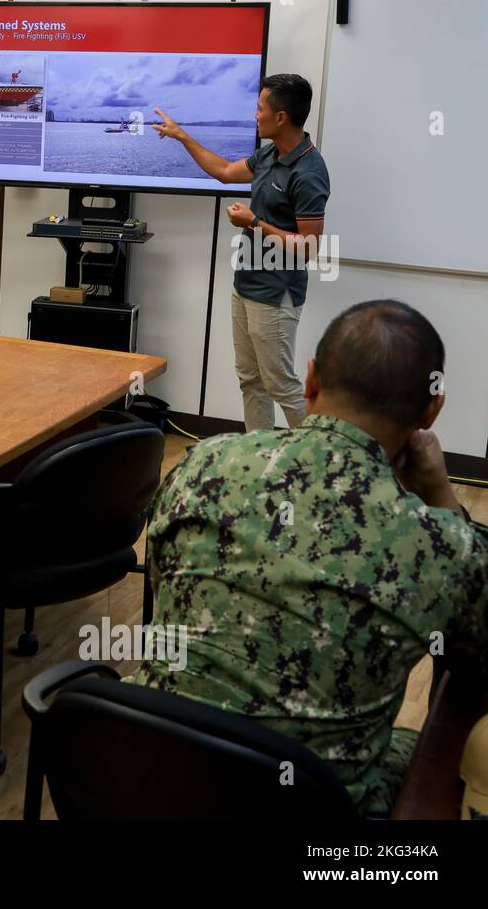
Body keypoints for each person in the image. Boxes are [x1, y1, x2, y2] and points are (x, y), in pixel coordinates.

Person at [133, 300, 488, 816]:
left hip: (147, 773)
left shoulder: (204, 464)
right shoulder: (439, 544)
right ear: (430, 411)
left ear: (311, 381)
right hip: (318, 807)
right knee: (431, 747)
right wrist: (444, 501)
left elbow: (161, 584)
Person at [154, 73, 330, 431]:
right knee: (251, 380)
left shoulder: (309, 171)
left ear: (281, 118)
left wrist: (253, 224)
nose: (255, 115)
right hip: (245, 286)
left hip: (276, 293)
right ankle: (259, 456)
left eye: (259, 108)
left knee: (281, 383)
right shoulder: (268, 154)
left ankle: (321, 460)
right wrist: (183, 137)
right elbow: (223, 171)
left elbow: (308, 247)